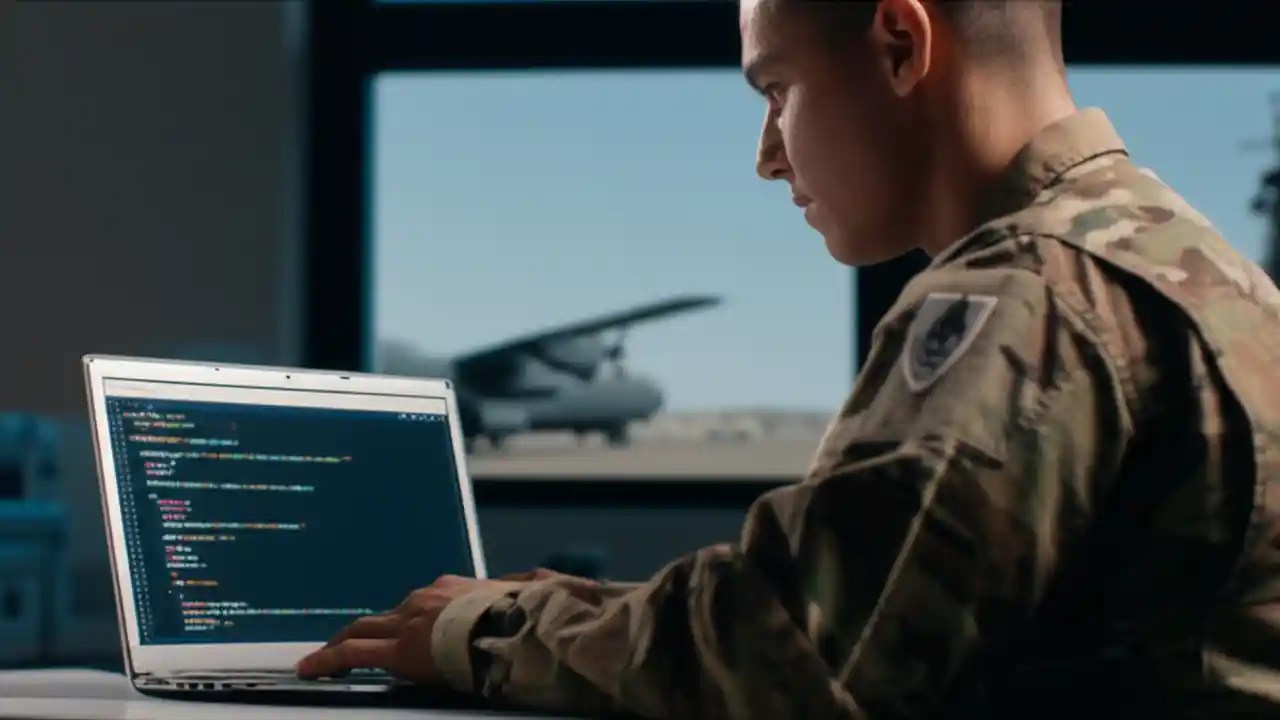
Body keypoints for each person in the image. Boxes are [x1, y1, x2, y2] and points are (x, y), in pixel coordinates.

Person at [297, 0, 1280, 716]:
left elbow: (791, 658)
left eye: (777, 89)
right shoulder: (1197, 268)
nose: (766, 154)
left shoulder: (1021, 294)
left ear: (899, 44)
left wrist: (483, 630)